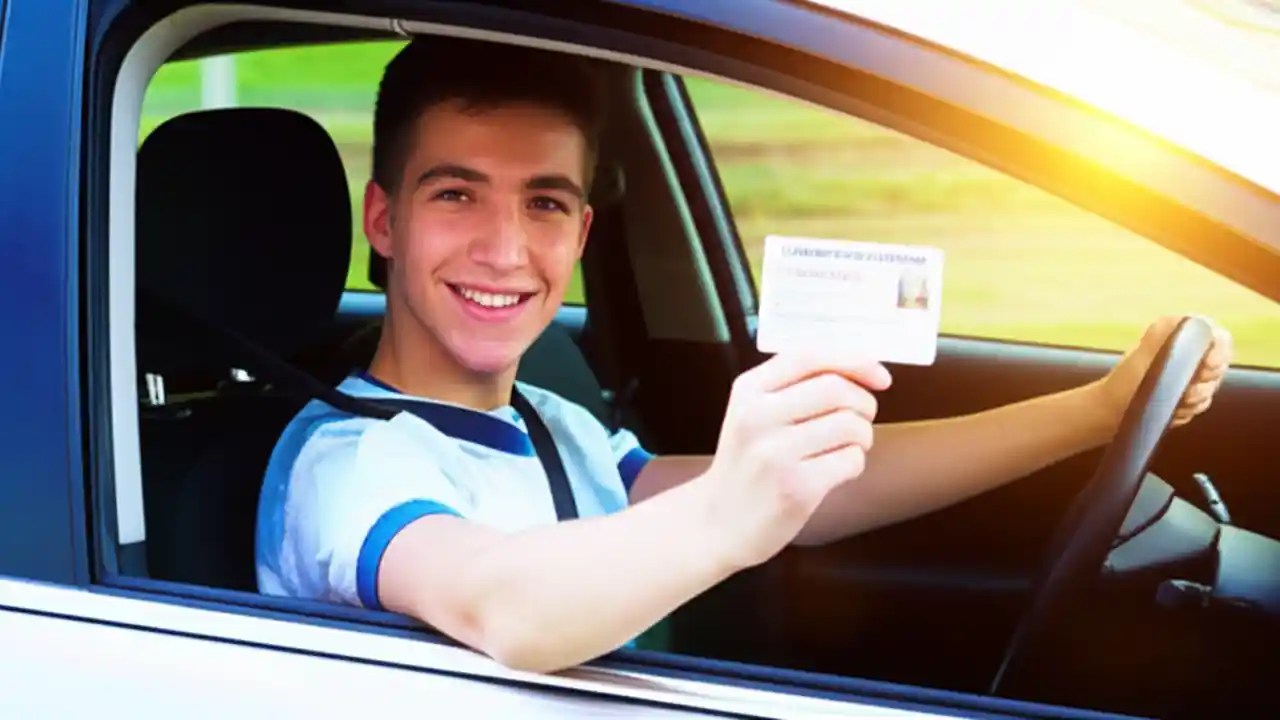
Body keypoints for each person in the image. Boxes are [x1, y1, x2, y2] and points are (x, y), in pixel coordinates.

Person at [255, 37, 1233, 674]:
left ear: (583, 231)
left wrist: (1093, 411)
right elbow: (505, 606)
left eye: (543, 203)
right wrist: (730, 512)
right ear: (383, 220)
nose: (506, 251)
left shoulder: (553, 425)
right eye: (455, 194)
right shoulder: (351, 464)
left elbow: (811, 494)